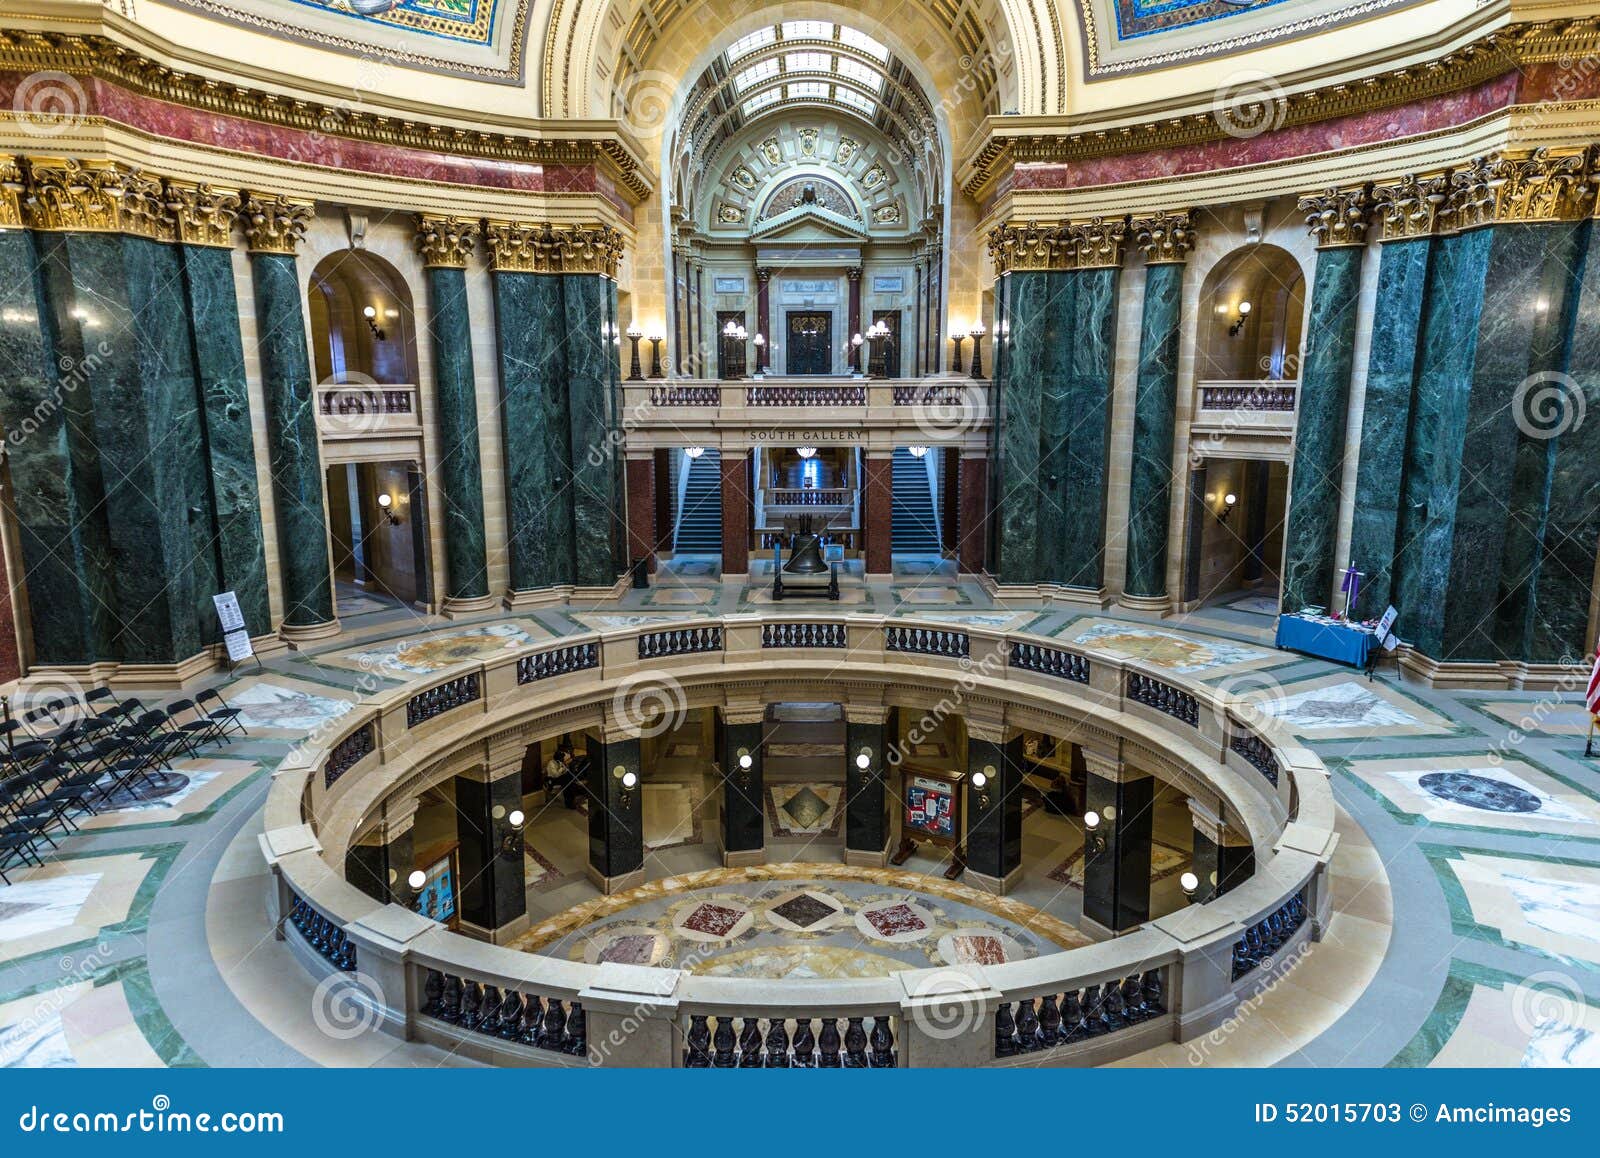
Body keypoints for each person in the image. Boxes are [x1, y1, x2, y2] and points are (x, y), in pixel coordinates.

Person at [544, 744, 578, 809]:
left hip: (562, 778)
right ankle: (569, 802)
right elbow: (556, 774)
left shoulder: (560, 762)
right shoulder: (551, 763)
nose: (562, 759)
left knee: (569, 783)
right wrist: (562, 768)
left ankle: (570, 802)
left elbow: (565, 770)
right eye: (561, 758)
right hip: (553, 780)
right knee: (569, 781)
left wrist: (565, 768)